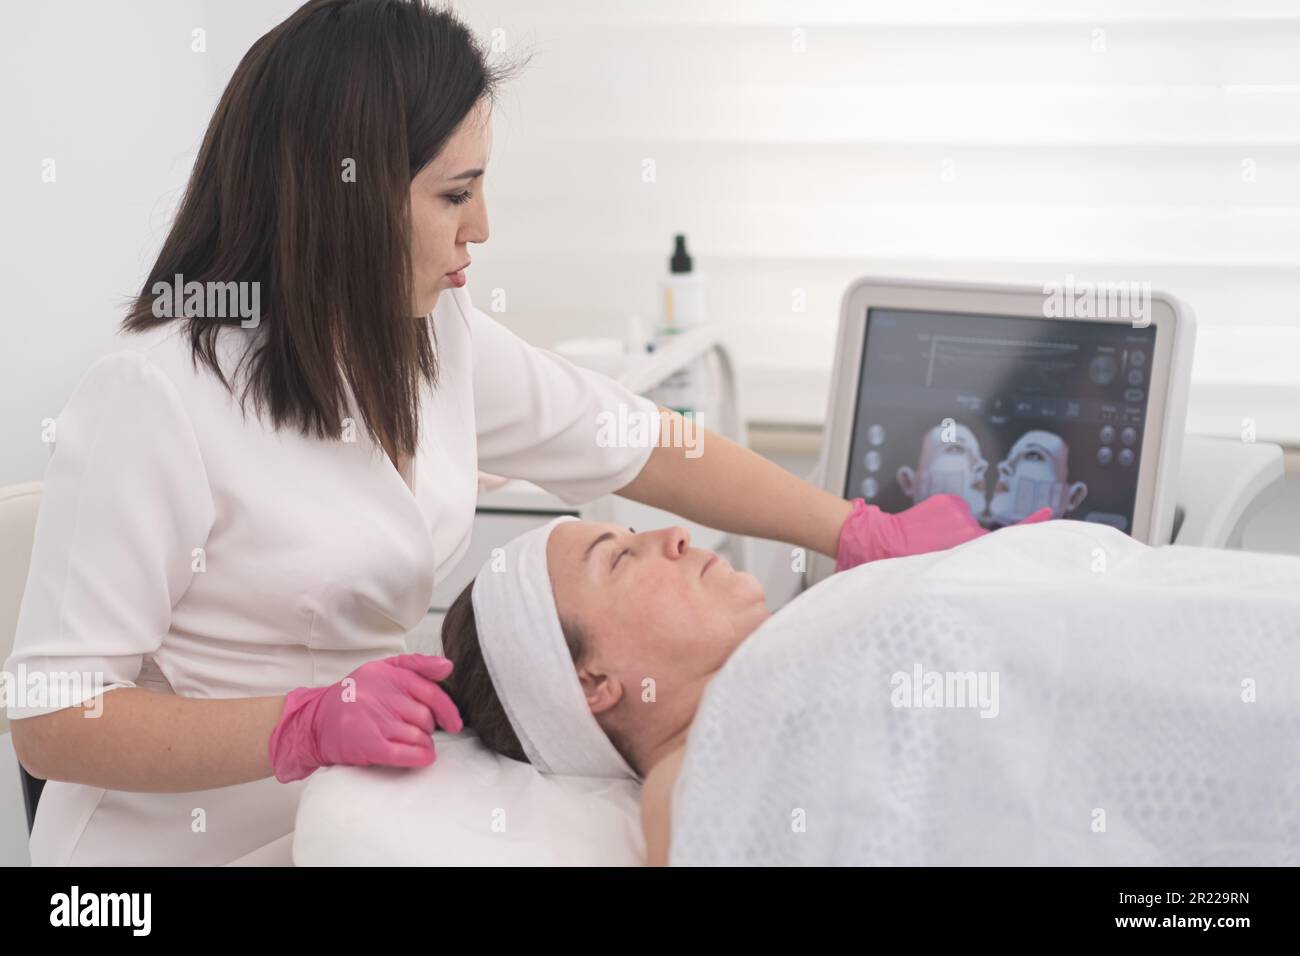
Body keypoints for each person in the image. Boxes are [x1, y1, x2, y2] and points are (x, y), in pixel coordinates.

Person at [5, 0, 1023, 866]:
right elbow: (52, 720)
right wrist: (298, 721)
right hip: (176, 851)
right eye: (454, 192)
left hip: (366, 806)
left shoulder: (425, 335)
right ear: (341, 197)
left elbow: (635, 439)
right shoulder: (156, 397)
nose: (481, 226)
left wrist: (850, 526)